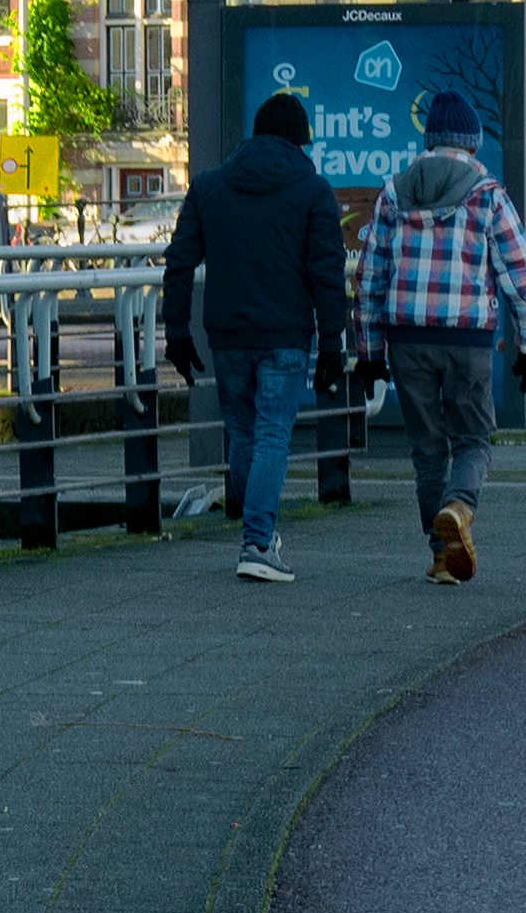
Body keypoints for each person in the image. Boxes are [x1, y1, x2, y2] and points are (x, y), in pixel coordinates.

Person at [161, 88, 348, 584]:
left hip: (226, 334)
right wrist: (334, 342)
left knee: (243, 433)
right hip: (286, 333)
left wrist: (175, 330)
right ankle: (259, 541)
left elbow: (179, 263)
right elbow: (327, 273)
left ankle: (258, 529)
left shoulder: (208, 187)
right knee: (271, 435)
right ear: (299, 142)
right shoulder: (313, 192)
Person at [351, 88, 526, 585]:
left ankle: (440, 556)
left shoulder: (393, 192)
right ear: (471, 144)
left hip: (407, 339)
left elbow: (369, 279)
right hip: (467, 338)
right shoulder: (488, 194)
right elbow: (520, 276)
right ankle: (458, 508)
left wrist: (369, 353)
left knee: (428, 451)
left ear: (429, 142)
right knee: (473, 439)